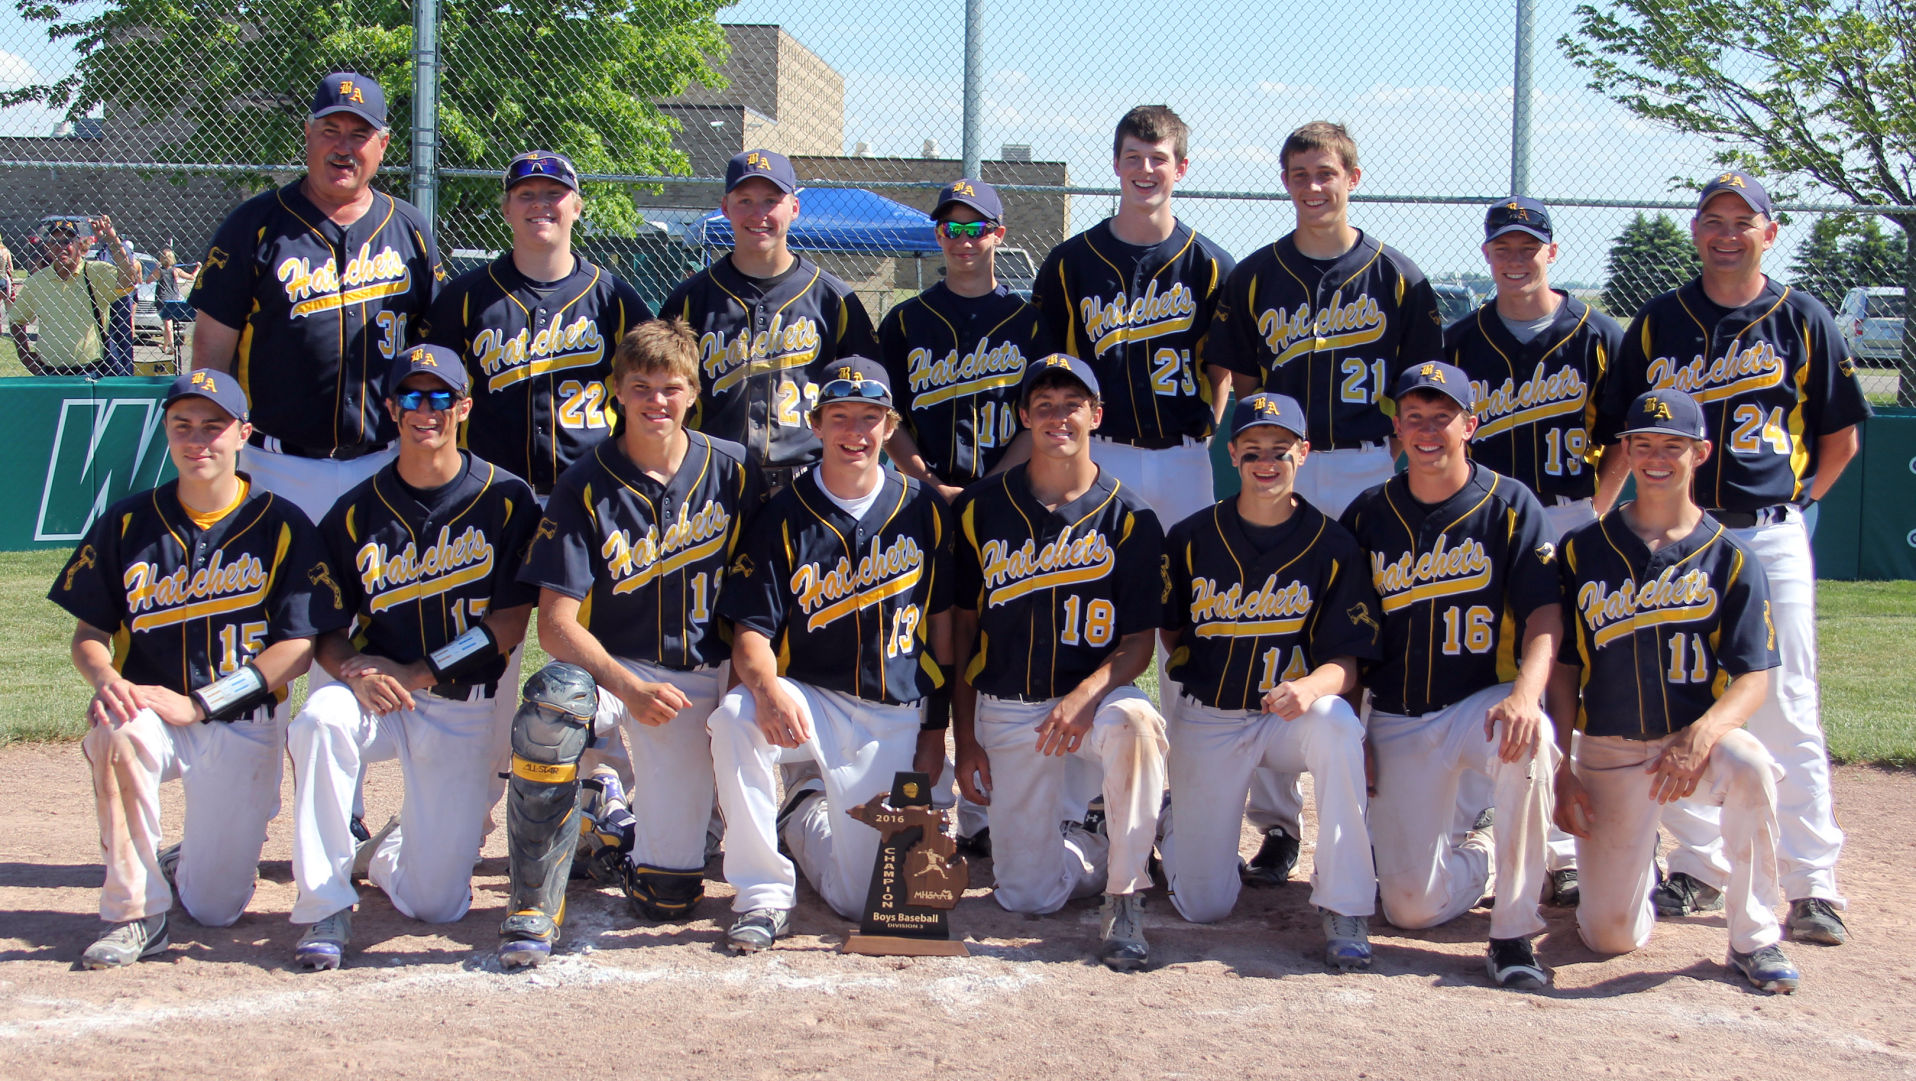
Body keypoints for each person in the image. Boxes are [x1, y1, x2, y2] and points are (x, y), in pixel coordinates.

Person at [1592, 171, 1872, 946]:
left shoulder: (1804, 318)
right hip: (1671, 532)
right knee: (1674, 695)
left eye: (1741, 221)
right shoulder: (1657, 322)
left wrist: (1796, 503)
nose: (1724, 232)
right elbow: (1621, 429)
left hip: (1764, 530)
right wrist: (1600, 515)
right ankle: (1698, 866)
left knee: (1787, 701)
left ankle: (1815, 881)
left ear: (1769, 233)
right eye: (1711, 219)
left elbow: (1841, 436)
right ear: (1695, 231)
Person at [1207, 122, 1445, 883]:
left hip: (1371, 464)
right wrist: (1271, 458)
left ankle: (1366, 817)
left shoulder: (1398, 276)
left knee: (1372, 633)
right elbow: (1244, 386)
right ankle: (1277, 825)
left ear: (1354, 177)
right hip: (1287, 465)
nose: (1314, 187)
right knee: (1273, 623)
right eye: (1301, 174)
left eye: (1327, 173)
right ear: (1285, 182)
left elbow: (1423, 391)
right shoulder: (1254, 277)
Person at [48, 369, 340, 967]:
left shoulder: (281, 523)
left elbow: (298, 648)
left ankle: (182, 862)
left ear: (243, 435)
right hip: (151, 713)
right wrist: (108, 682)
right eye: (184, 426)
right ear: (167, 433)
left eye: (215, 426)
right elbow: (89, 637)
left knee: (214, 907)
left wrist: (203, 703)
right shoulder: (127, 524)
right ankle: (136, 913)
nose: (198, 440)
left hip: (243, 720)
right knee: (114, 732)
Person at [497, 319, 756, 968]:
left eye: (671, 387)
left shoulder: (736, 471)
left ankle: (600, 823)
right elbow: (553, 623)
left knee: (668, 894)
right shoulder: (586, 479)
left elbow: (761, 600)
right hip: (616, 675)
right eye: (641, 386)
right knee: (554, 697)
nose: (656, 401)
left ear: (694, 391)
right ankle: (533, 901)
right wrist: (629, 687)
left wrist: (738, 679)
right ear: (616, 391)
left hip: (703, 674)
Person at [285, 344, 540, 970]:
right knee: (318, 719)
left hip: (458, 701)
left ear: (464, 407)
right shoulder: (353, 511)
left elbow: (507, 625)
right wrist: (353, 669)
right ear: (392, 407)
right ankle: (324, 905)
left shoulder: (507, 500)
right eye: (412, 397)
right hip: (375, 695)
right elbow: (327, 628)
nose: (426, 411)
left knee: (435, 905)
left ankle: (388, 853)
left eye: (441, 398)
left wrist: (420, 672)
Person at [1548, 388, 1799, 994]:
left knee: (1750, 765)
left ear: (1701, 452)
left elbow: (1753, 675)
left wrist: (1704, 735)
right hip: (1608, 746)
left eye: (1673, 446)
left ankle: (1755, 936)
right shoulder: (1584, 550)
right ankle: (1637, 868)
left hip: (1695, 740)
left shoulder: (1731, 558)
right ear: (1626, 451)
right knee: (1608, 936)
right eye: (1643, 444)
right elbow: (1563, 669)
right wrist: (1563, 764)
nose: (1656, 457)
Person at [706, 355, 953, 952]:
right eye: (840, 417)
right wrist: (765, 692)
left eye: (870, 417)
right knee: (736, 717)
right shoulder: (783, 512)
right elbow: (750, 634)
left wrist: (936, 728)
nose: (855, 432)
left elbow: (945, 630)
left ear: (890, 427)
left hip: (894, 709)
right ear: (815, 424)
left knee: (862, 899)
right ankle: (762, 894)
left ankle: (801, 812)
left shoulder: (924, 508)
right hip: (810, 698)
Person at [1339, 360, 1560, 989]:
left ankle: (1513, 934)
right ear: (1398, 428)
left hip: (1481, 703)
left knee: (1532, 741)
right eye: (1415, 417)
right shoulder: (1367, 514)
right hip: (1399, 714)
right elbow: (1349, 637)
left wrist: (1525, 695)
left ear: (1471, 424)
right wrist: (1356, 731)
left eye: (1443, 417)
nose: (1428, 430)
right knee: (1411, 909)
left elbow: (1545, 612)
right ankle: (1485, 854)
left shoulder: (1511, 504)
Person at [950, 353, 1169, 971]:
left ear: (1096, 415)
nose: (1057, 417)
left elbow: (1138, 643)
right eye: (1042, 405)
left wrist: (1085, 696)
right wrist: (966, 741)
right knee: (1026, 898)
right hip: (1010, 705)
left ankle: (1126, 896)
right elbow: (964, 632)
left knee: (1137, 725)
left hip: (1095, 702)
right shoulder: (979, 507)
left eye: (1072, 404)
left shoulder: (1131, 515)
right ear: (1024, 416)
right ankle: (1100, 838)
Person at [1159, 392, 1382, 969]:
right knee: (1203, 904)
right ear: (1231, 452)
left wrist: (1309, 688)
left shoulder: (1332, 544)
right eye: (1253, 449)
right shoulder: (1189, 537)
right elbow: (1173, 634)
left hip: (1288, 718)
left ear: (1303, 454)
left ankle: (1345, 903)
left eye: (1280, 451)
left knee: (1336, 722)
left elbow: (1347, 663)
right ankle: (1172, 819)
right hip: (1212, 716)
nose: (1267, 462)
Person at [1445, 196, 1625, 907]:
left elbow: (1622, 439)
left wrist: (1597, 513)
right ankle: (1483, 816)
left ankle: (1566, 844)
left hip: (1573, 510)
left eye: (1529, 246)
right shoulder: (1460, 341)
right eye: (1504, 248)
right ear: (1487, 255)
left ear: (1553, 251)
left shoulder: (1599, 334)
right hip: (1487, 520)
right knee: (1492, 659)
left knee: (1573, 670)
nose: (1516, 259)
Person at [191, 72, 443, 526]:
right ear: (308, 135)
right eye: (331, 131)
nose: (343, 148)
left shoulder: (409, 227)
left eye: (360, 134)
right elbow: (211, 348)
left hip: (384, 459)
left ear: (382, 145)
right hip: (275, 464)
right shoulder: (254, 224)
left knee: (379, 597)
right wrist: (214, 441)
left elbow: (436, 347)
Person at [1031, 104, 1234, 535]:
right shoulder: (1070, 263)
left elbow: (1222, 369)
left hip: (1184, 454)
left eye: (1158, 158)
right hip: (1100, 449)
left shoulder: (1211, 264)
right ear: (1116, 164)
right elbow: (1049, 366)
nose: (1145, 170)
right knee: (1097, 582)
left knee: (1187, 583)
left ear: (1180, 168)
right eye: (1133, 157)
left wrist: (1204, 440)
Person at [421, 149, 652, 498]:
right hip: (487, 493)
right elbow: (430, 393)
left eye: (553, 194)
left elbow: (654, 392)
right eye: (525, 195)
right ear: (506, 209)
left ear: (576, 207)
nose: (539, 205)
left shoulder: (614, 298)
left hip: (592, 492)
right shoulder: (465, 297)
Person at [660, 149, 878, 491]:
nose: (758, 213)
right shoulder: (691, 299)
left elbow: (870, 398)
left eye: (771, 200)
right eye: (744, 200)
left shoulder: (833, 298)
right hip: (713, 480)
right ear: (725, 207)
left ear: (793, 208)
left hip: (807, 482)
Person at [878, 178, 1045, 501]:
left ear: (998, 235)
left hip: (1006, 492)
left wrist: (989, 488)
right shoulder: (905, 321)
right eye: (952, 229)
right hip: (919, 492)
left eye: (977, 230)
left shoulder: (1028, 323)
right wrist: (931, 484)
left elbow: (1038, 421)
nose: (963, 240)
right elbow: (886, 415)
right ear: (939, 235)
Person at [9, 216, 139, 376]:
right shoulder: (37, 282)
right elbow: (16, 319)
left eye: (67, 241)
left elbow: (129, 280)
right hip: (49, 373)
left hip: (90, 372)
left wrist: (112, 239)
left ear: (79, 245)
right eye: (54, 242)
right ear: (48, 247)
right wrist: (26, 357)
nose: (61, 247)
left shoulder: (96, 273)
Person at [155, 247, 192, 358]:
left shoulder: (159, 270)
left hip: (163, 298)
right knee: (167, 323)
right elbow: (191, 277)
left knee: (167, 322)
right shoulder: (176, 270)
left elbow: (148, 280)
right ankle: (165, 346)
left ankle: (171, 345)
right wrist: (198, 268)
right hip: (175, 298)